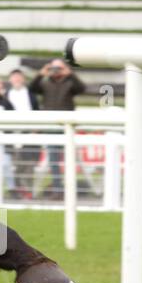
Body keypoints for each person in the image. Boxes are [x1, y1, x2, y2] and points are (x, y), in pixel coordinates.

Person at [31, 58, 87, 198]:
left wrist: (70, 74)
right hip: (51, 127)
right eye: (54, 68)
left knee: (69, 160)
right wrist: (41, 74)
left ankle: (69, 189)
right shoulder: (45, 83)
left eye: (59, 68)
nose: (56, 71)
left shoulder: (69, 83)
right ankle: (58, 189)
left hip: (66, 128)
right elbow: (31, 89)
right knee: (54, 160)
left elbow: (82, 89)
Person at [6, 69, 40, 196]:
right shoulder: (6, 95)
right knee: (16, 165)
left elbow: (36, 110)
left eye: (19, 77)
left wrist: (36, 129)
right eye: (14, 78)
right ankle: (18, 191)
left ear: (23, 79)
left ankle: (28, 192)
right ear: (10, 80)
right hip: (14, 136)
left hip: (30, 133)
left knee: (29, 165)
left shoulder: (31, 94)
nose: (17, 80)